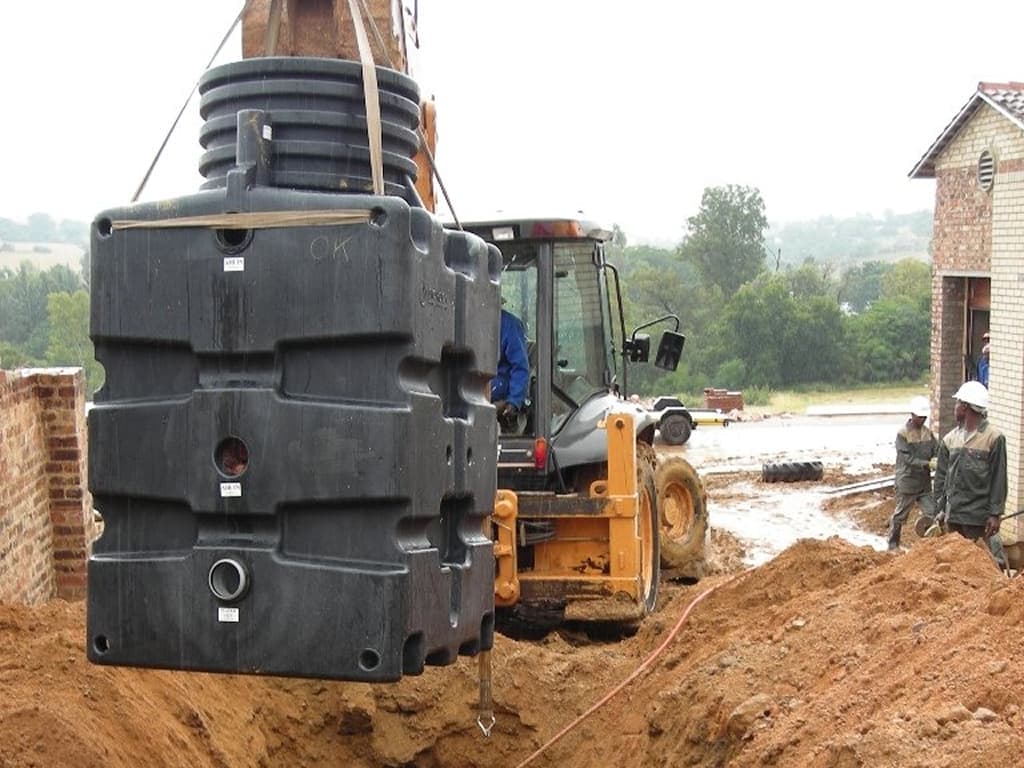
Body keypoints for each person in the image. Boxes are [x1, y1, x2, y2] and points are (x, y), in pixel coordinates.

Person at [933, 380, 1007, 543]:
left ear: (965, 406)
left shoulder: (993, 438)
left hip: (977, 518)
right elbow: (942, 479)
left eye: (957, 402)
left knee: (976, 562)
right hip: (953, 516)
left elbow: (998, 480)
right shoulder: (950, 440)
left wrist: (995, 514)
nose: (955, 407)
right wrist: (939, 509)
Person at [886, 396, 937, 551]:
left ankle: (930, 545)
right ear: (912, 415)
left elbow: (936, 449)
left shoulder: (928, 434)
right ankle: (893, 543)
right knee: (901, 515)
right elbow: (907, 458)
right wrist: (926, 464)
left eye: (924, 418)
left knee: (932, 513)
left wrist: (936, 458)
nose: (922, 420)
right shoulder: (903, 434)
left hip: (923, 483)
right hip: (907, 481)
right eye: (919, 417)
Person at [491, 308, 529, 428]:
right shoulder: (467, 321)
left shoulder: (509, 325)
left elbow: (520, 367)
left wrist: (513, 401)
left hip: (500, 396)